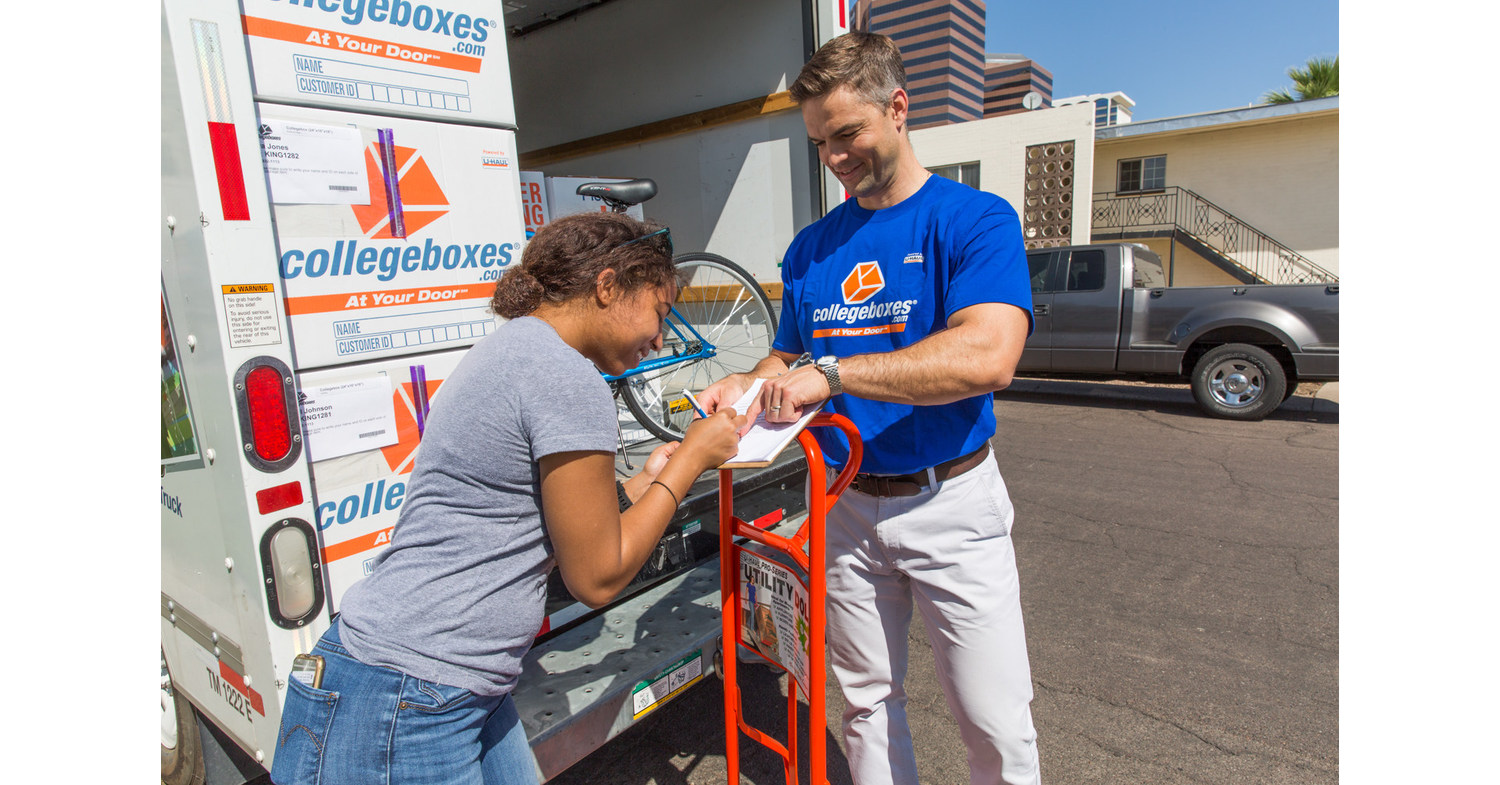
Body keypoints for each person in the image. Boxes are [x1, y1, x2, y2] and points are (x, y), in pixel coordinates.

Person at [270, 212, 745, 785]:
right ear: (608, 286)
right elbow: (596, 578)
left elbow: (517, 510)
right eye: (658, 313)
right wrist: (692, 457)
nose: (660, 338)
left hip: (440, 685)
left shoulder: (520, 349)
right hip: (406, 697)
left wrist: (640, 488)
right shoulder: (565, 377)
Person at [697, 31, 1040, 785]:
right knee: (864, 705)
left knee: (994, 722)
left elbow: (989, 354)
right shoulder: (814, 246)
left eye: (847, 133)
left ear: (898, 107)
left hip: (951, 500)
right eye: (819, 141)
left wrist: (835, 372)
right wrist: (747, 386)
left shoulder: (973, 220)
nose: (834, 156)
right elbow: (786, 356)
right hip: (845, 505)